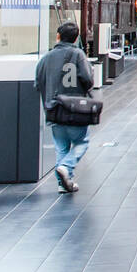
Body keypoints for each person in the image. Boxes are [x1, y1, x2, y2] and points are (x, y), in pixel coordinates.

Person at [34, 21, 96, 193]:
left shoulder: (46, 57)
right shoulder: (78, 54)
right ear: (76, 38)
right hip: (74, 108)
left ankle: (64, 184)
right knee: (81, 142)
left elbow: (37, 81)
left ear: (58, 36)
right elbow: (88, 80)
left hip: (53, 109)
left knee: (61, 147)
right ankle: (66, 167)